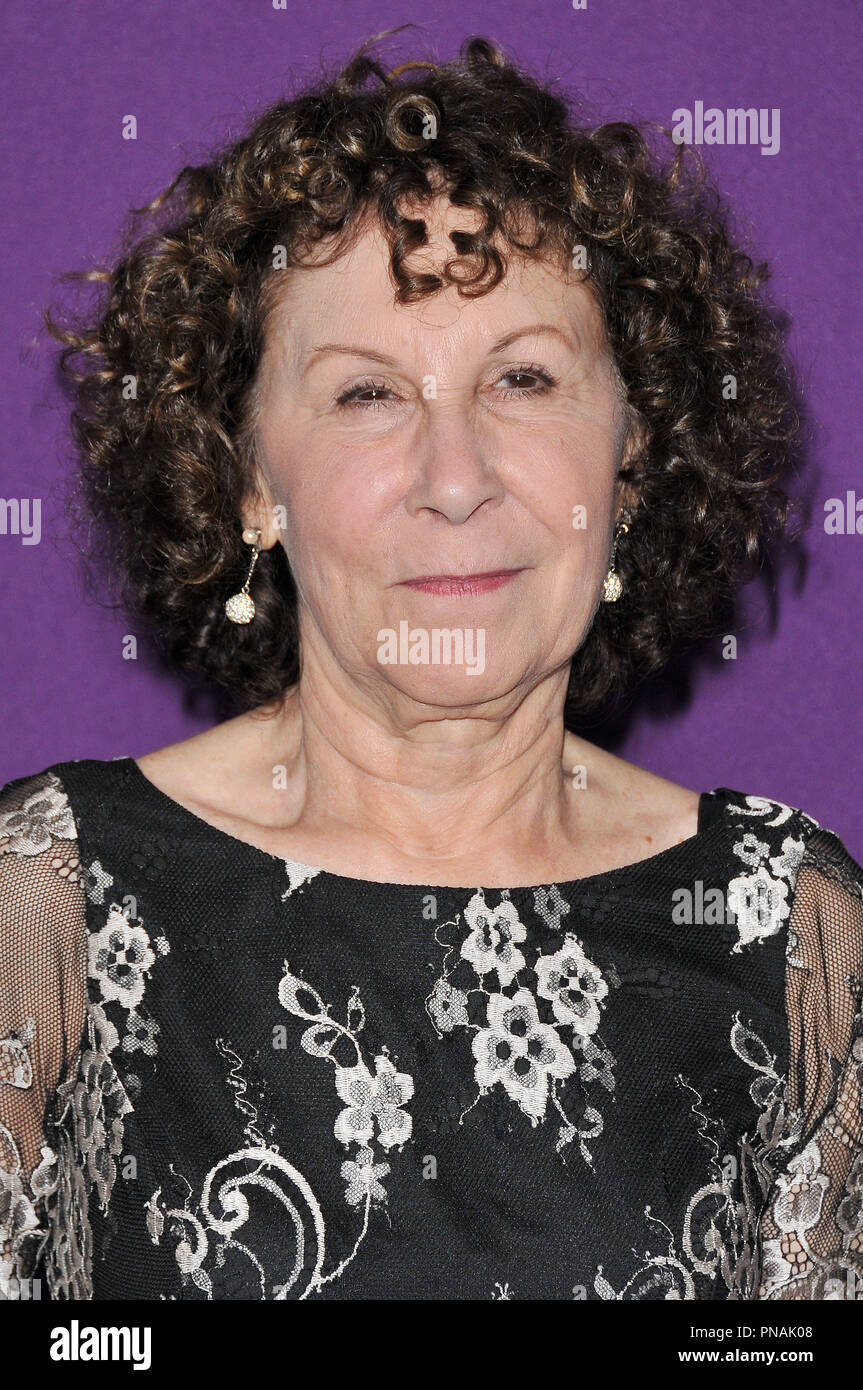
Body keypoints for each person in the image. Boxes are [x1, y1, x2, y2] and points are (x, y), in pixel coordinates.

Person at [1, 33, 861, 1302]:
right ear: (250, 482)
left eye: (522, 377)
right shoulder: (46, 905)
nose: (454, 479)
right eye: (366, 396)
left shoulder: (794, 928)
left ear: (629, 464)